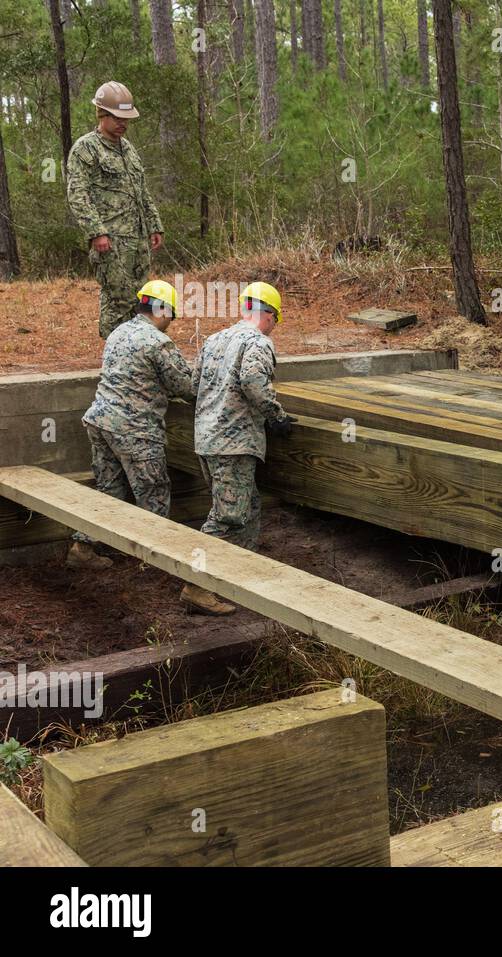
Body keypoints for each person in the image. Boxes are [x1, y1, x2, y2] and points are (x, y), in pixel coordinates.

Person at [68, 280, 194, 570]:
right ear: (161, 309)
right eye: (171, 314)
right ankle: (153, 560)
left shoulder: (119, 332)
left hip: (100, 422)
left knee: (109, 492)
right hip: (135, 430)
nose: (171, 322)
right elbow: (186, 386)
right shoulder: (158, 342)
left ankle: (82, 547)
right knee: (153, 493)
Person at [187, 282, 296, 615]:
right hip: (234, 446)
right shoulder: (258, 342)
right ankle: (196, 586)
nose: (273, 326)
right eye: (274, 319)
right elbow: (252, 380)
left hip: (207, 440)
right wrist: (276, 416)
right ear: (268, 314)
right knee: (227, 517)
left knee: (248, 508)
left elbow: (194, 385)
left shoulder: (214, 340)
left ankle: (238, 575)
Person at [66, 81, 165, 340]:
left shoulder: (128, 149)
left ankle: (132, 352)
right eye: (117, 118)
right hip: (110, 241)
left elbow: (142, 191)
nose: (123, 124)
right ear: (102, 114)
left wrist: (154, 225)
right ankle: (113, 352)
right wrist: (96, 232)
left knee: (139, 299)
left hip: (137, 239)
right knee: (117, 297)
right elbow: (78, 195)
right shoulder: (86, 148)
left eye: (126, 119)